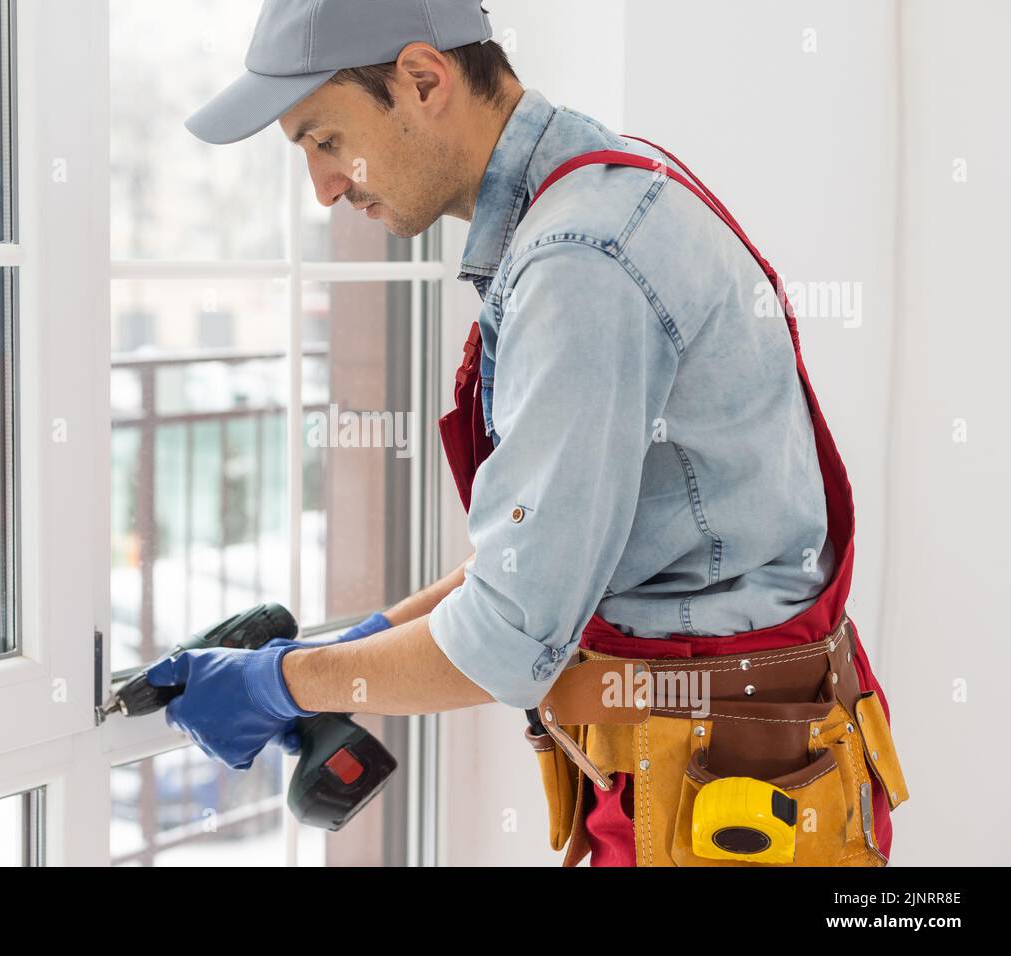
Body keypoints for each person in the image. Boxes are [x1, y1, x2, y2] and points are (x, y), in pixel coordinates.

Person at [145, 0, 908, 866]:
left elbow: (505, 643)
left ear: (424, 80)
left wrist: (276, 684)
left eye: (324, 140)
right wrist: (362, 641)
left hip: (727, 794)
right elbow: (550, 545)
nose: (324, 187)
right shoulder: (598, 182)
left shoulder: (579, 261)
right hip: (714, 766)